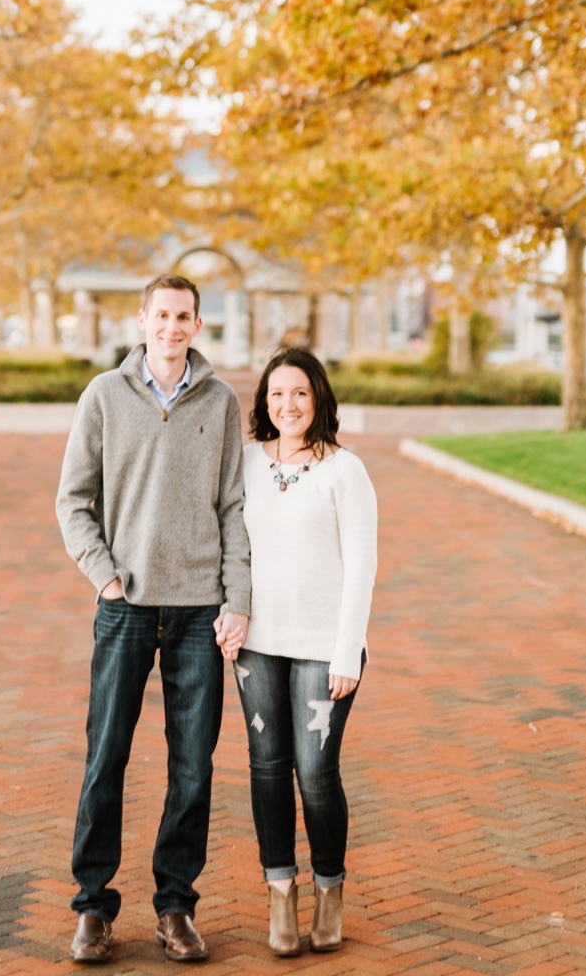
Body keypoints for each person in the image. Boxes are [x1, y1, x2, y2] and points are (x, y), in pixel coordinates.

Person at [56, 274, 251, 965]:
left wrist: (238, 598)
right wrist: (104, 577)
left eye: (184, 317)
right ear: (142, 321)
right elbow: (72, 501)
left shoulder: (223, 401)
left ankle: (175, 906)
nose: (172, 327)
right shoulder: (104, 397)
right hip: (126, 609)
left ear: (198, 325)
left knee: (193, 766)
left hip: (200, 611)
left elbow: (234, 507)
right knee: (105, 755)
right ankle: (93, 909)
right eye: (161, 315)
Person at [218, 349, 377, 958]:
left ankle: (329, 889)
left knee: (314, 773)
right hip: (257, 645)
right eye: (278, 394)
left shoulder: (345, 471)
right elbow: (232, 545)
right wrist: (228, 614)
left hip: (323, 650)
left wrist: (346, 651)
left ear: (319, 400)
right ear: (263, 400)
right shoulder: (249, 465)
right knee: (266, 766)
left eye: (301, 394)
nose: (289, 405)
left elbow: (362, 567)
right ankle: (279, 892)